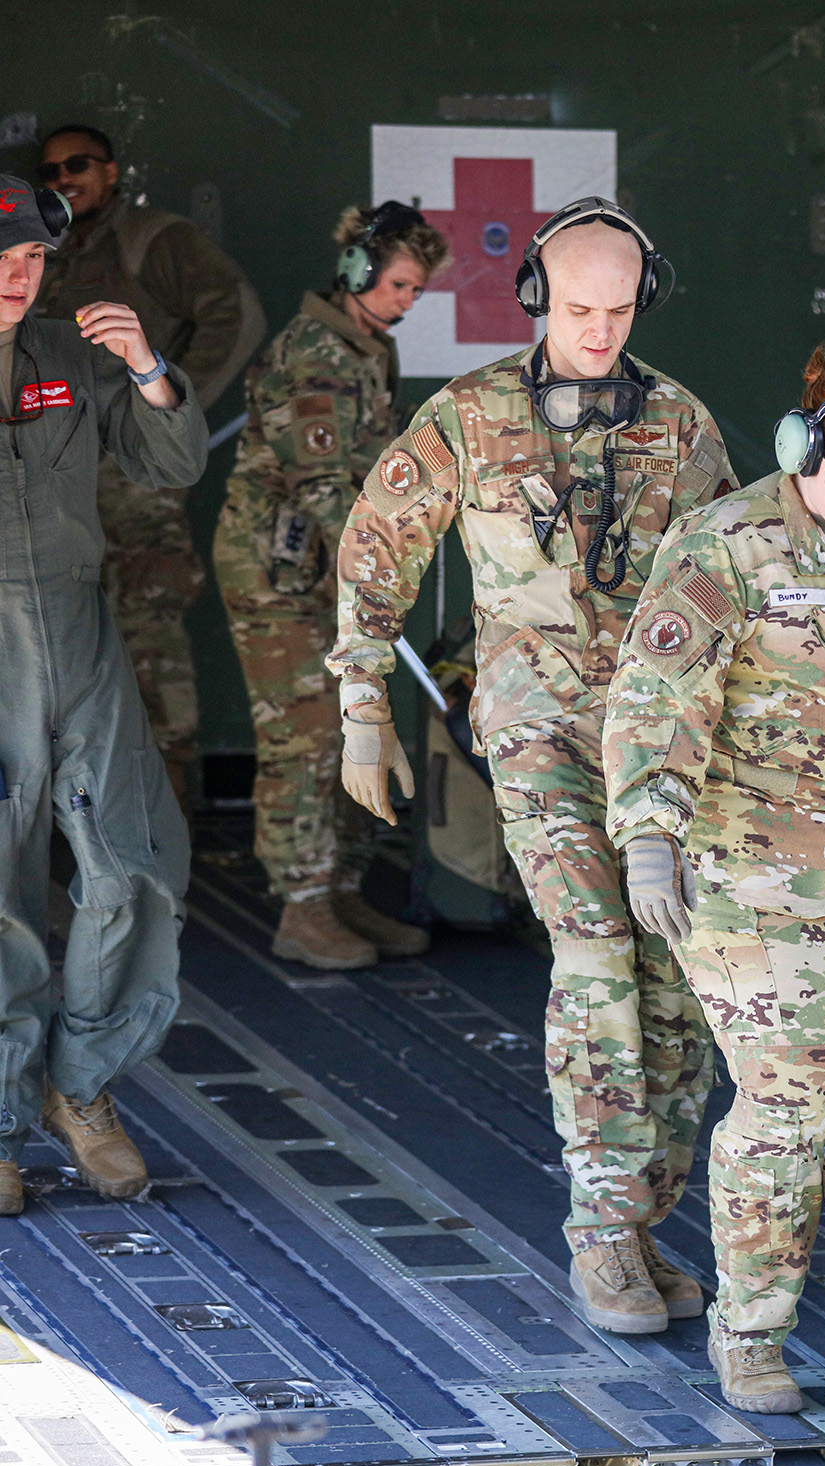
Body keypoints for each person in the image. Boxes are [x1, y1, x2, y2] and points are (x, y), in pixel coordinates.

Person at [328, 198, 735, 1334]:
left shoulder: (684, 424)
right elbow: (375, 546)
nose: (597, 331)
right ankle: (602, 1235)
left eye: (617, 309)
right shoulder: (470, 416)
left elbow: (725, 586)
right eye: (577, 307)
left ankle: (646, 1217)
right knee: (597, 949)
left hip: (661, 737)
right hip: (537, 728)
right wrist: (364, 703)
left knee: (676, 976)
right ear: (539, 299)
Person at [604, 340, 825, 1435]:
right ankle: (752, 1339)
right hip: (754, 871)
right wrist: (649, 832)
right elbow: (658, 688)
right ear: (805, 453)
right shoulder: (729, 544)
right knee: (789, 1107)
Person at [0, 174, 206, 1216]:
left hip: (78, 631)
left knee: (127, 864)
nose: (14, 277)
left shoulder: (69, 356)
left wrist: (148, 366)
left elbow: (169, 460)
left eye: (31, 259)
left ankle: (81, 1089)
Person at [217, 203, 451, 971]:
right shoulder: (315, 352)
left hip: (331, 571)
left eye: (418, 290)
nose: (407, 301)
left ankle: (342, 886)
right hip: (279, 575)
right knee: (307, 737)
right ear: (357, 272)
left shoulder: (363, 348)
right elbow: (321, 483)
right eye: (400, 284)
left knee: (358, 721)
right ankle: (303, 905)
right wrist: (375, 570)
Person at [34, 124, 265, 805]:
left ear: (111, 173)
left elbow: (237, 316)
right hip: (52, 482)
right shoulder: (34, 252)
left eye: (79, 165)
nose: (64, 178)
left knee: (148, 635)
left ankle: (169, 816)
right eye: (50, 171)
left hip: (134, 480)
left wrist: (164, 406)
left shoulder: (152, 240)